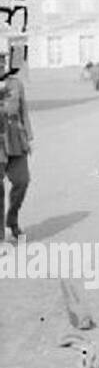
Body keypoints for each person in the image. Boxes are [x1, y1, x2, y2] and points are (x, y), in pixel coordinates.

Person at [1, 69, 33, 240]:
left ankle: (11, 219)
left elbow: (24, 110)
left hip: (16, 138)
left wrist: (29, 136)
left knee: (22, 181)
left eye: (2, 62)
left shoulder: (16, 83)